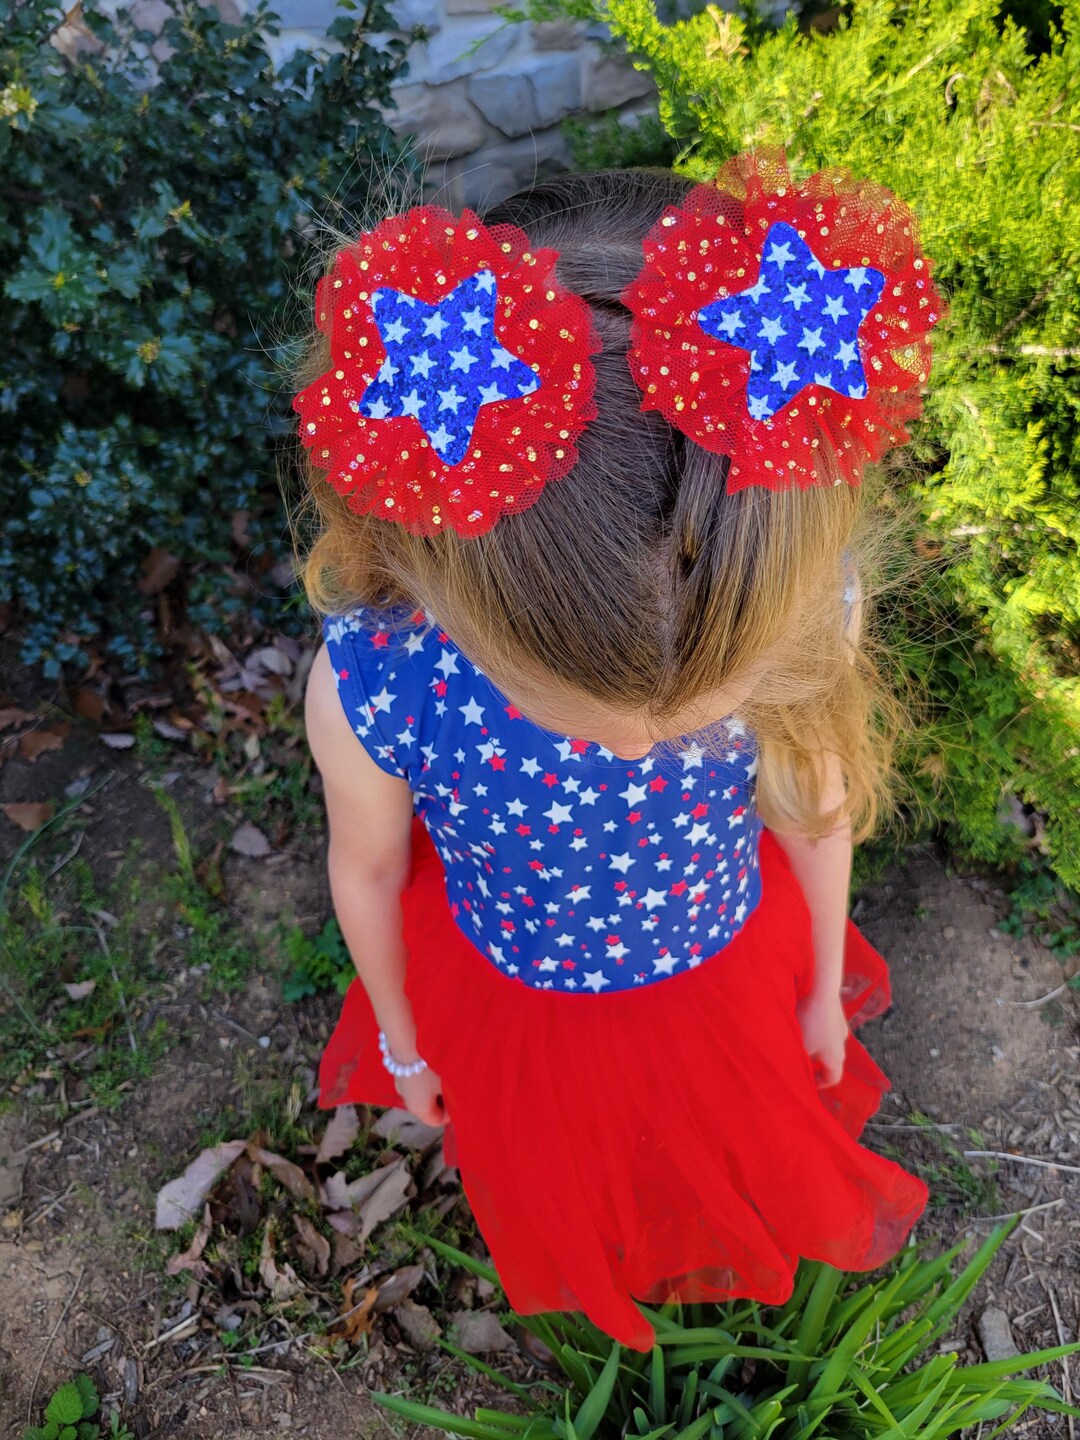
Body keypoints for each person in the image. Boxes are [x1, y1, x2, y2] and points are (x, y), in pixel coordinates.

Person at [293, 152, 942, 1352]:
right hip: (517, 998)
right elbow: (369, 872)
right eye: (582, 715)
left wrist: (816, 991)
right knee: (572, 1157)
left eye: (705, 716)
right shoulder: (380, 680)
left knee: (711, 1133)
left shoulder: (792, 609)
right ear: (454, 588)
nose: (654, 749)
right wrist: (401, 1034)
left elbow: (812, 798)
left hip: (725, 964)